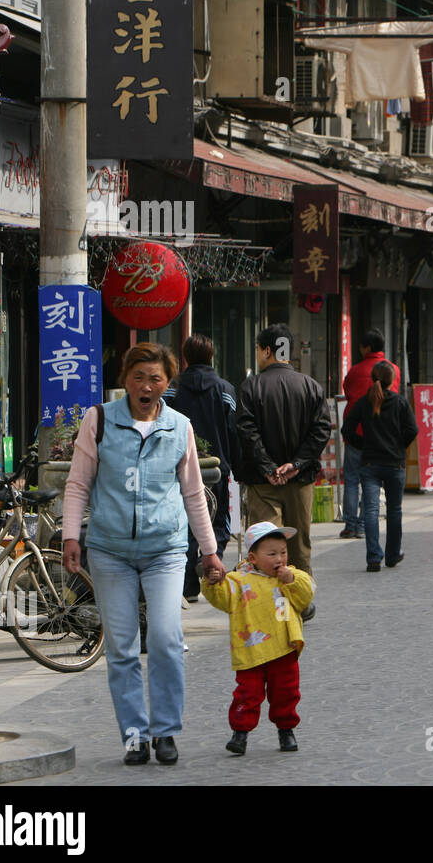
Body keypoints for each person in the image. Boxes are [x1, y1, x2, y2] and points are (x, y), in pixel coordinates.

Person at [61, 342, 223, 767]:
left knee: (167, 640)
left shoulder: (179, 427)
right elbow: (78, 483)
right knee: (122, 648)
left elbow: (193, 493)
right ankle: (134, 735)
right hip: (110, 551)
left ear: (167, 383)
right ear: (125, 380)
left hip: (165, 551)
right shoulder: (99, 421)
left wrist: (209, 551)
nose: (146, 386)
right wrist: (69, 537)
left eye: (155, 378)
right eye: (139, 377)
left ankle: (166, 730)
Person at [236, 324, 333, 619]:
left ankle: (269, 603)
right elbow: (321, 430)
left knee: (266, 543)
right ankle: (301, 601)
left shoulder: (250, 388)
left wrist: (267, 467)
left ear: (266, 350)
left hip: (262, 481)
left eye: (258, 349)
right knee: (299, 541)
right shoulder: (311, 386)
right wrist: (298, 463)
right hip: (300, 480)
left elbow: (246, 431)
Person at [202, 521, 313, 756]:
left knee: (286, 692)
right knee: (246, 694)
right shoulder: (238, 581)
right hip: (251, 650)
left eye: (283, 552)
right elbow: (221, 598)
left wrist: (291, 579)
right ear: (252, 558)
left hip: (284, 648)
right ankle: (240, 733)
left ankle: (286, 729)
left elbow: (305, 596)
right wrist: (212, 582)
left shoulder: (291, 576)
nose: (279, 559)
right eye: (271, 554)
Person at [165, 333, 240, 601]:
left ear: (184, 357)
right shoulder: (225, 390)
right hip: (217, 467)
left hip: (180, 467)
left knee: (186, 523)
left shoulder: (172, 390)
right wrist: (235, 465)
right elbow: (233, 431)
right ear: (211, 356)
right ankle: (212, 565)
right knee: (219, 520)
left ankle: (188, 586)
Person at [341, 361, 418, 571]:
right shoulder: (400, 403)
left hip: (370, 463)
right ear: (392, 380)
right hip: (395, 464)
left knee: (371, 510)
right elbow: (413, 429)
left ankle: (373, 558)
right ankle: (392, 555)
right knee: (394, 510)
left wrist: (363, 445)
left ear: (373, 379)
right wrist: (400, 446)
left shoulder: (364, 402)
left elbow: (346, 429)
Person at [339, 329, 401, 540]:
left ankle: (350, 524)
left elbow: (347, 392)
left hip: (356, 435)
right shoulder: (393, 370)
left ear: (366, 347)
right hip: (381, 438)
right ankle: (365, 524)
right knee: (371, 483)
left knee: (351, 479)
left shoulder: (356, 371)